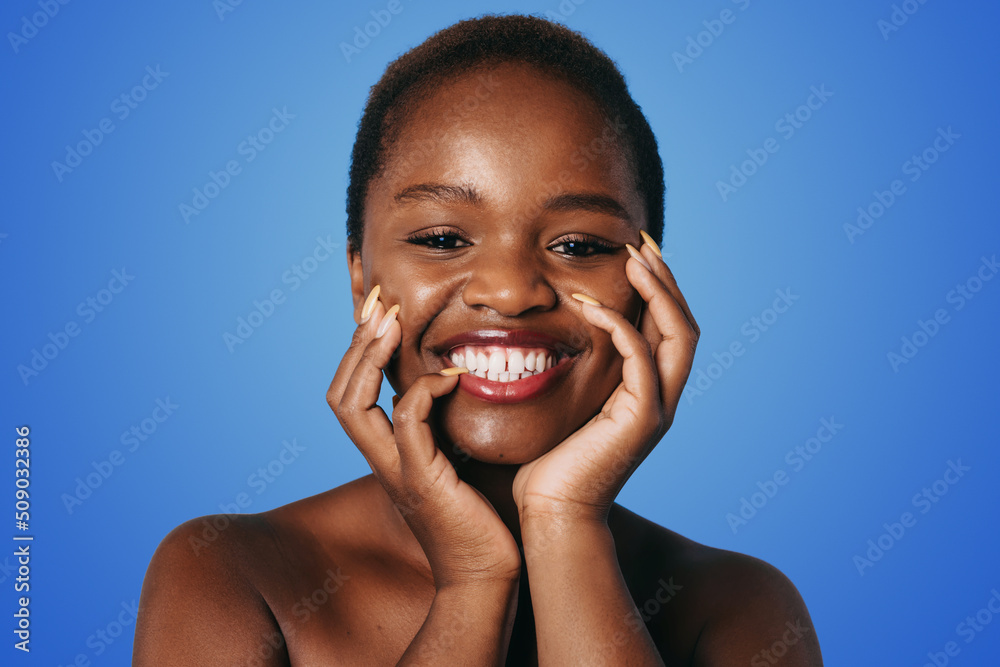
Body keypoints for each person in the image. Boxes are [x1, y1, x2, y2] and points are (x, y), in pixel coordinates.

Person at [134, 14, 823, 665]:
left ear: (651, 287)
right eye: (441, 239)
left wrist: (566, 520)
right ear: (359, 279)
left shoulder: (738, 605)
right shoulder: (231, 570)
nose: (510, 289)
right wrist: (473, 582)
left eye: (579, 244)